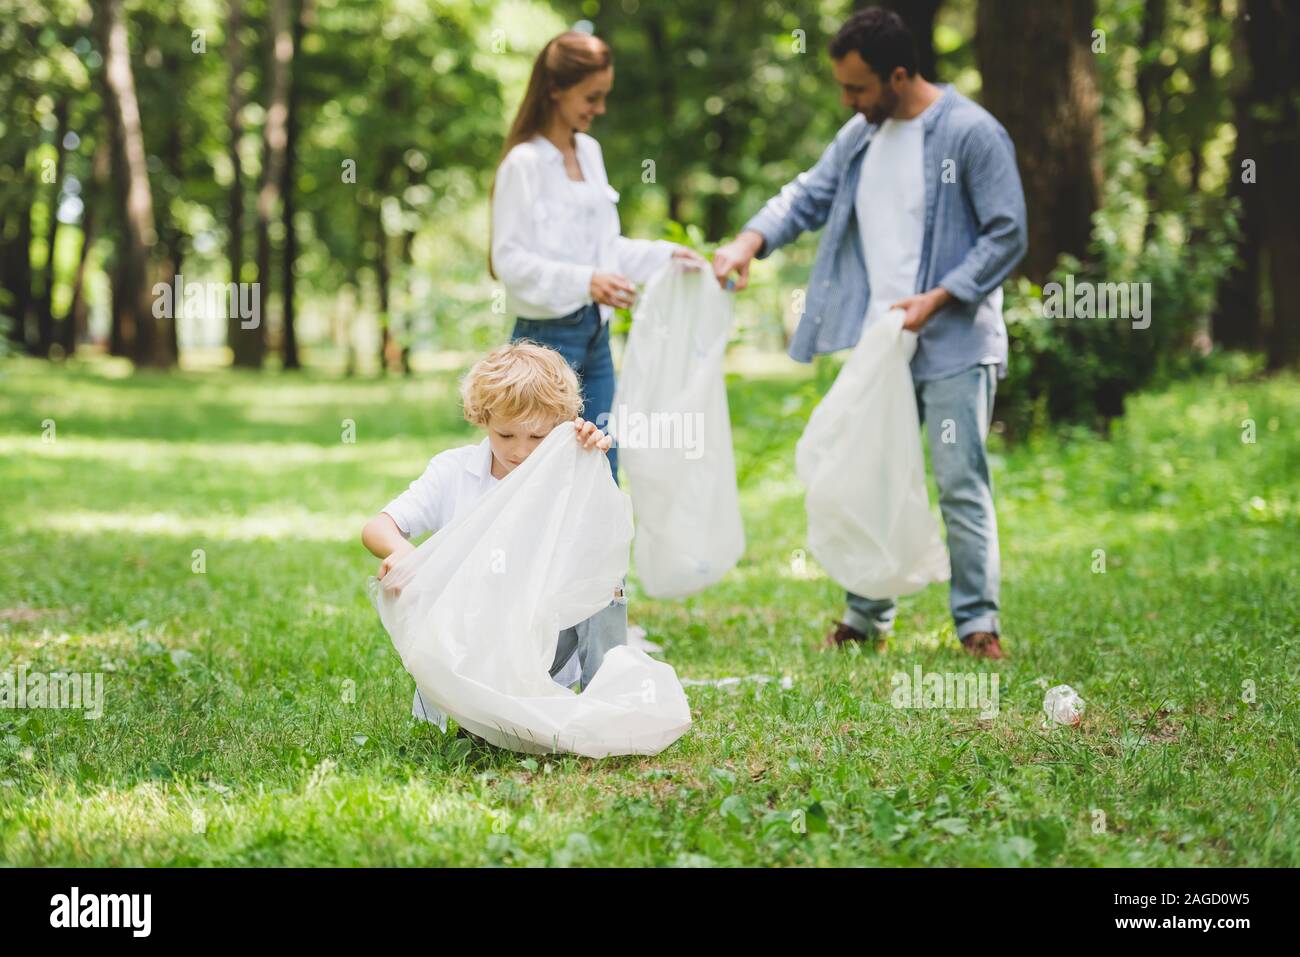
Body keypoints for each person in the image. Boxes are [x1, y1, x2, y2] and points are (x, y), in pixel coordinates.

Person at [712, 7, 1027, 659]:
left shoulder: (970, 133)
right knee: (871, 474)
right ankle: (866, 614)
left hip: (954, 343)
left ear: (900, 75)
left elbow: (1008, 232)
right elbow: (806, 195)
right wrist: (750, 239)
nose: (848, 101)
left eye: (857, 88)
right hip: (882, 343)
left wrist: (940, 298)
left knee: (959, 479)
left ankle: (977, 624)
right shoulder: (860, 136)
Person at [360, 340, 625, 731]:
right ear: (482, 419)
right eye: (506, 436)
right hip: (468, 651)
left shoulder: (569, 471)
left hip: (540, 652)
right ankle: (455, 709)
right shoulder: (454, 471)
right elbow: (377, 528)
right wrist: (405, 554)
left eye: (537, 438)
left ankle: (607, 701)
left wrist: (587, 462)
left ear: (562, 425)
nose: (520, 451)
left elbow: (601, 546)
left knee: (610, 582)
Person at [489, 29, 706, 481]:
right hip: (544, 342)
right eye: (592, 96)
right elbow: (508, 260)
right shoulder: (523, 165)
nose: (600, 109)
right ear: (554, 91)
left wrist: (668, 257)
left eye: (604, 96)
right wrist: (585, 280)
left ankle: (596, 555)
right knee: (536, 473)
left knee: (602, 462)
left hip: (595, 336)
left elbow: (608, 249)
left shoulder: (590, 153)